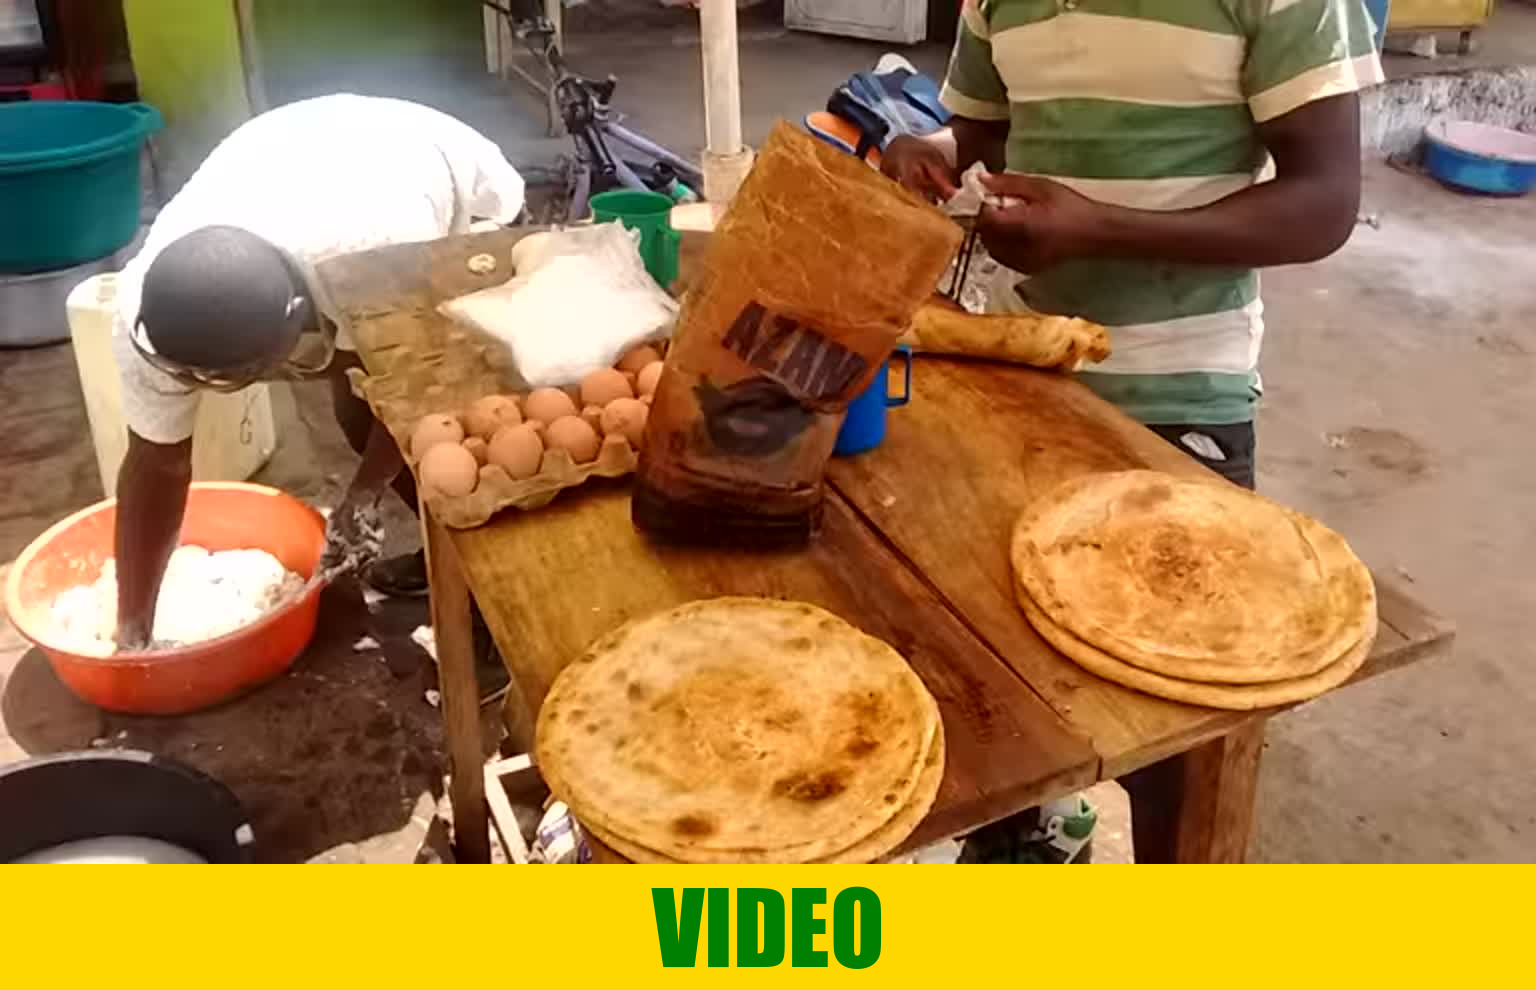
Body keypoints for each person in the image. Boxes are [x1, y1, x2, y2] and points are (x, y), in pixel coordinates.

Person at [882, 0, 1383, 860]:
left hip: (1182, 384)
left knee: (1181, 722)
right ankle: (1013, 846)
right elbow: (988, 132)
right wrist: (937, 151)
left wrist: (1100, 229)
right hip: (1022, 367)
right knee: (1002, 664)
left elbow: (1326, 202)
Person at [111, 94, 526, 650]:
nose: (209, 390)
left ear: (296, 322)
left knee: (438, 426)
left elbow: (410, 390)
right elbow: (155, 465)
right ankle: (444, 556)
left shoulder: (376, 257)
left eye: (241, 375)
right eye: (194, 377)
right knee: (363, 411)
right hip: (305, 162)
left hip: (451, 186)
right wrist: (131, 628)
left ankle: (493, 595)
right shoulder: (152, 311)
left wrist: (362, 498)